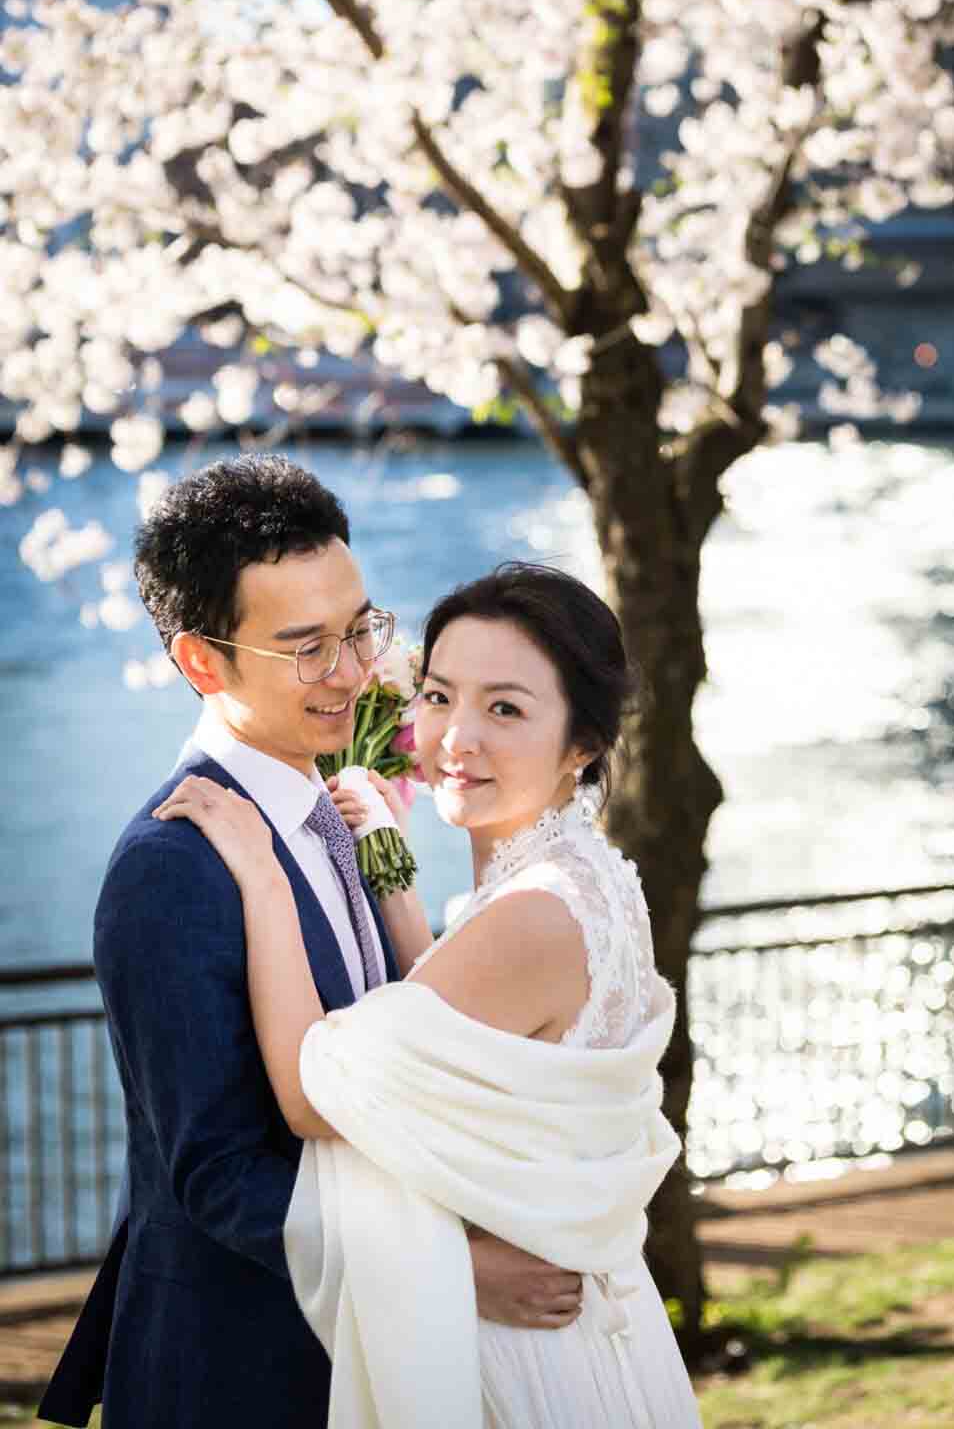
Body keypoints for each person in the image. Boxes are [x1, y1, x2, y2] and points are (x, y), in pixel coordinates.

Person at [38, 460, 583, 1429]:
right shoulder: (172, 867)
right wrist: (457, 1268)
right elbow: (220, 1175)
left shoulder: (334, 806)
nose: (354, 673)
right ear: (203, 663)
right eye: (307, 649)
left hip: (370, 1358)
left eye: (360, 630)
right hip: (244, 1374)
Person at [153, 560, 703, 1429]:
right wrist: (392, 875)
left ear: (583, 744)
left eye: (506, 709)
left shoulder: (533, 917)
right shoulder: (590, 877)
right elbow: (466, 1029)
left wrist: (264, 876)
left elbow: (311, 1096)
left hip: (522, 1351)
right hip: (588, 1325)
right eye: (441, 696)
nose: (456, 739)